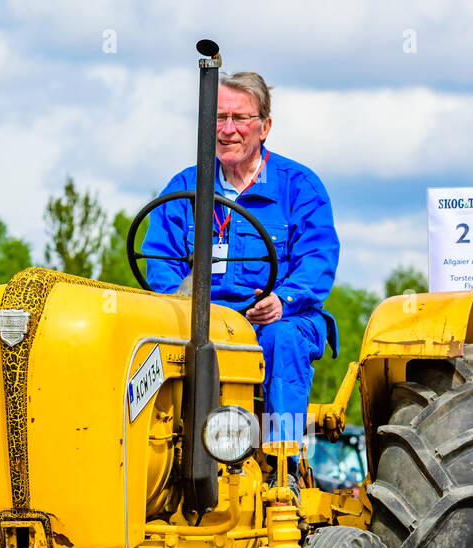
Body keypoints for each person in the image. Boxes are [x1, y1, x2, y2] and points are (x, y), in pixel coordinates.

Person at [141, 71, 339, 443]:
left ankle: (283, 459)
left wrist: (282, 300)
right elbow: (158, 259)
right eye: (218, 118)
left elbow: (318, 259)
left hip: (277, 318)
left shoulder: (299, 187)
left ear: (264, 126)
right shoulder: (185, 187)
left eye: (239, 118)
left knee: (284, 338)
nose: (227, 129)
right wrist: (181, 309)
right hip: (202, 320)